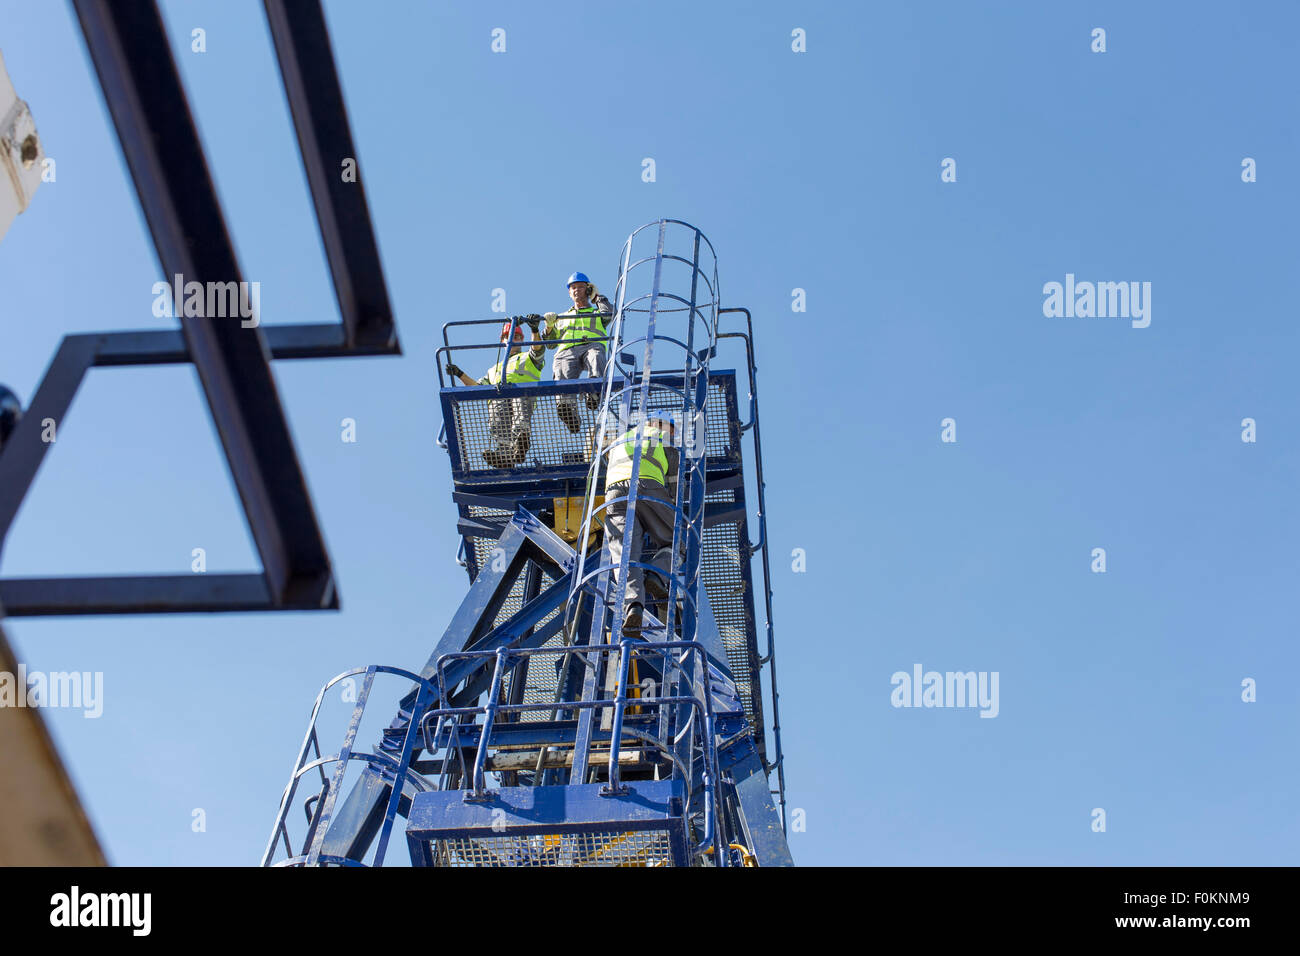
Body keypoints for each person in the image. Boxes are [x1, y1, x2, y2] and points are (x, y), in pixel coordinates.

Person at [600, 411, 682, 637]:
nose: (673, 434)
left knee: (625, 555)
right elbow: (675, 489)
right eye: (671, 428)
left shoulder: (619, 439)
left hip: (614, 495)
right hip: (647, 486)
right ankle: (656, 576)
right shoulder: (660, 439)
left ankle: (633, 606)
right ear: (657, 424)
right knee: (677, 541)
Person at [445, 317, 545, 468]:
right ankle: (505, 455)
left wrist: (534, 330)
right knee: (497, 414)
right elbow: (478, 387)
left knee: (518, 403)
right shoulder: (494, 369)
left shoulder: (527, 358)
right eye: (508, 336)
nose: (512, 339)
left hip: (522, 395)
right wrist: (460, 374)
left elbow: (538, 349)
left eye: (516, 337)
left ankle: (521, 440)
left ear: (522, 340)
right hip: (500, 402)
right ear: (502, 340)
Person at [542, 271, 613, 434]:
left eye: (580, 287)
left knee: (596, 356)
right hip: (567, 350)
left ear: (588, 290)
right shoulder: (563, 316)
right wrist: (549, 326)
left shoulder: (597, 312)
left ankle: (593, 392)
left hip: (591, 345)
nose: (576, 290)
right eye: (573, 287)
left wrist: (598, 297)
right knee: (561, 368)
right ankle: (569, 412)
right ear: (569, 292)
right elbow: (550, 344)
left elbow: (610, 315)